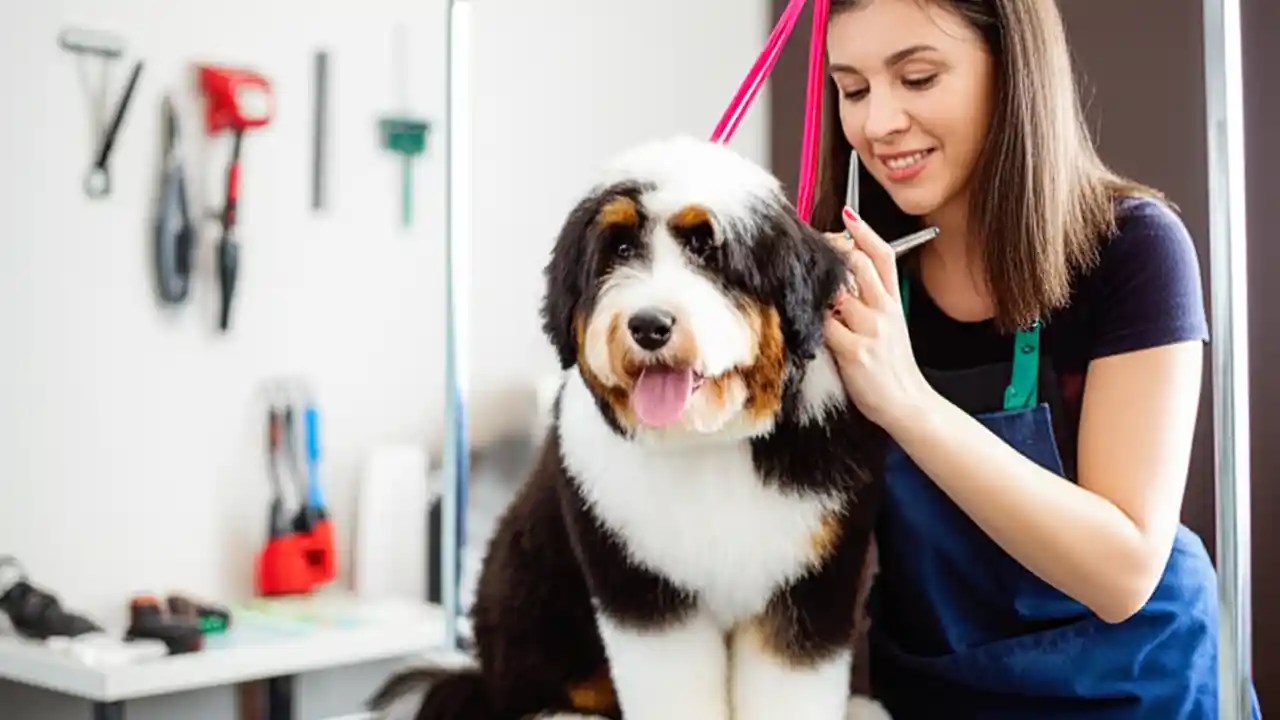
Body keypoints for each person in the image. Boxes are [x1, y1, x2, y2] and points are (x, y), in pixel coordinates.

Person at [811, 0, 1263, 718]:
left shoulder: (1135, 252)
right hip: (935, 690)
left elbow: (1122, 572)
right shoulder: (845, 281)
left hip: (1135, 688)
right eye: (854, 89)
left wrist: (906, 399)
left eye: (919, 78)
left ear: (1013, 71)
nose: (879, 123)